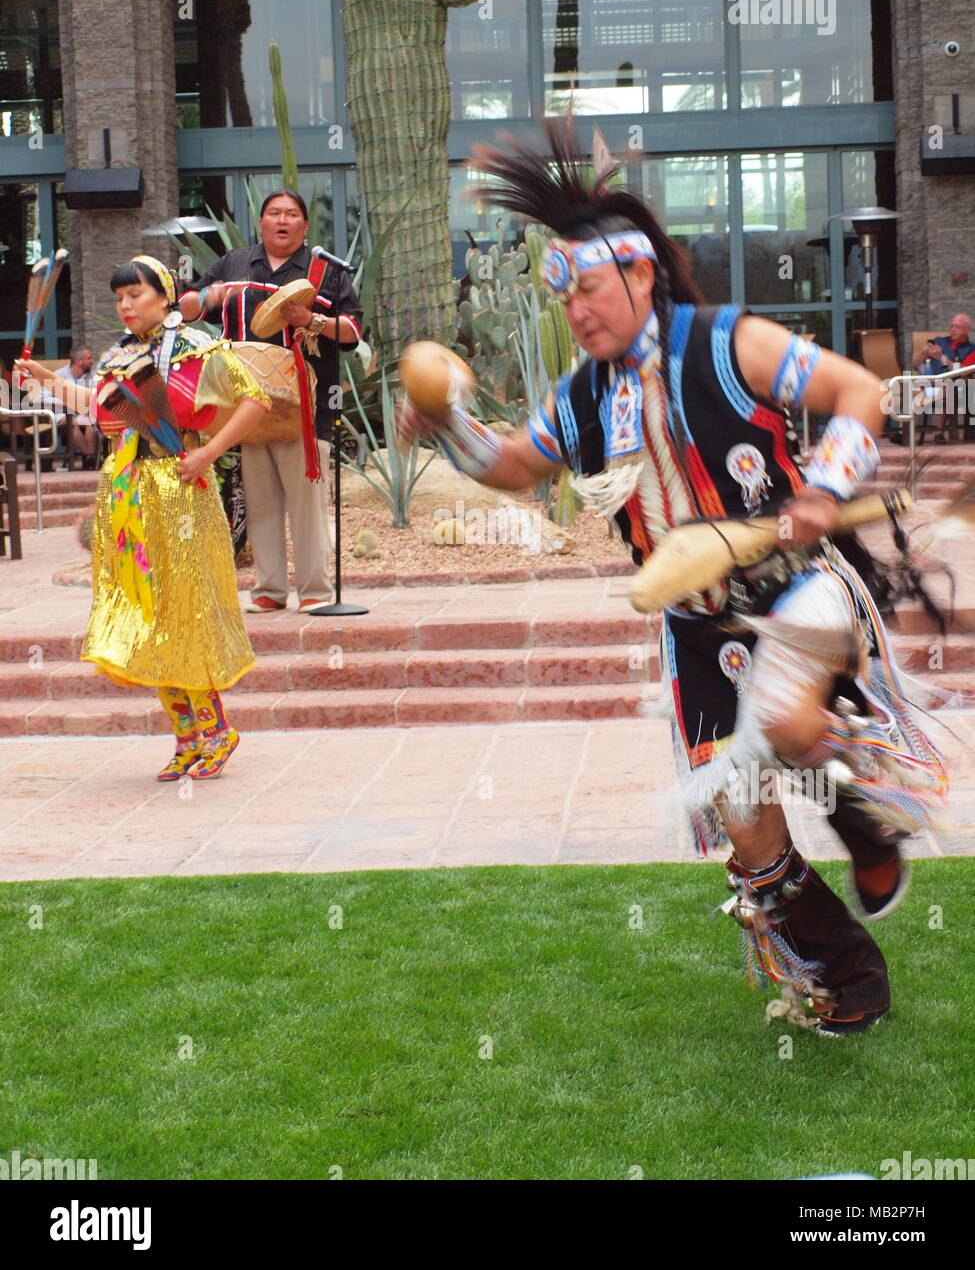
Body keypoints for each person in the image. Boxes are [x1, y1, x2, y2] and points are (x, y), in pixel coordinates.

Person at [399, 123, 948, 1036]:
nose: (576, 310)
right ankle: (846, 974)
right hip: (697, 631)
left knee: (783, 719)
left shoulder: (732, 343)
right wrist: (446, 417)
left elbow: (861, 393)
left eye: (588, 287)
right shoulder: (583, 398)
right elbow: (509, 466)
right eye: (561, 293)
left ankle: (860, 814)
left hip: (795, 588)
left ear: (640, 274)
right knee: (747, 831)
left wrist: (821, 487)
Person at [16, 255, 271, 781]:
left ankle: (216, 729)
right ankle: (185, 738)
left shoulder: (199, 348)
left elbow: (256, 400)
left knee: (186, 611)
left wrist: (207, 453)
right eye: (119, 297)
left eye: (136, 294)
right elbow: (97, 408)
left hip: (180, 491)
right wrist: (45, 378)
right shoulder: (120, 357)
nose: (126, 305)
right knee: (146, 614)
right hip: (128, 495)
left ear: (165, 294)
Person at [179, 190, 363, 613]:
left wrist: (312, 320)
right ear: (261, 222)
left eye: (292, 214)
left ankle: (315, 591)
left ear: (304, 226)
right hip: (246, 406)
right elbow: (188, 308)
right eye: (274, 213)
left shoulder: (324, 271)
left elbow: (353, 329)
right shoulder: (234, 264)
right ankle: (269, 589)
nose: (282, 220)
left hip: (303, 407)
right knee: (260, 501)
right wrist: (204, 297)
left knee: (306, 504)